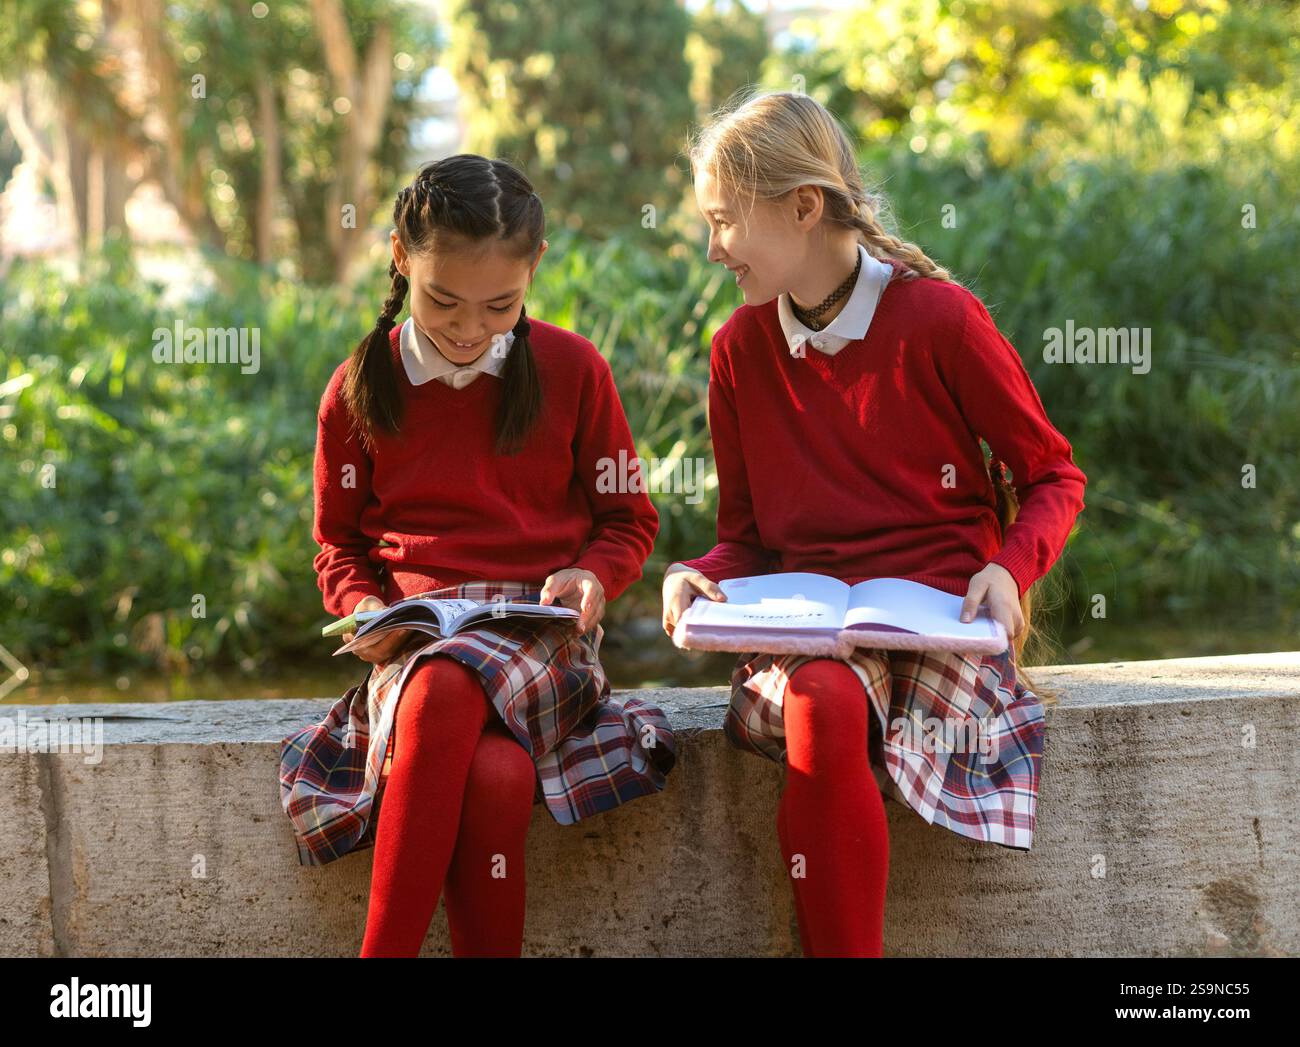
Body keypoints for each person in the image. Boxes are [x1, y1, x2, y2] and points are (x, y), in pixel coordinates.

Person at [662, 91, 1088, 957]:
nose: (712, 250)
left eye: (723, 222)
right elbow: (742, 537)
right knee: (820, 696)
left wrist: (1009, 569)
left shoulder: (940, 320)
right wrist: (698, 575)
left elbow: (1053, 474)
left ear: (802, 207)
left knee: (828, 696)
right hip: (815, 638)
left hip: (942, 631)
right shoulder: (738, 352)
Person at [281, 154, 676, 958]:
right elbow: (339, 546)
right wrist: (364, 609)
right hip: (418, 638)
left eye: (500, 305)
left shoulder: (574, 370)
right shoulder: (360, 388)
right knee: (492, 775)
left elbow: (628, 517)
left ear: (534, 268)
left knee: (447, 686)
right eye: (443, 300)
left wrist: (592, 575)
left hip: (542, 640)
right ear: (400, 256)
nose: (467, 328)